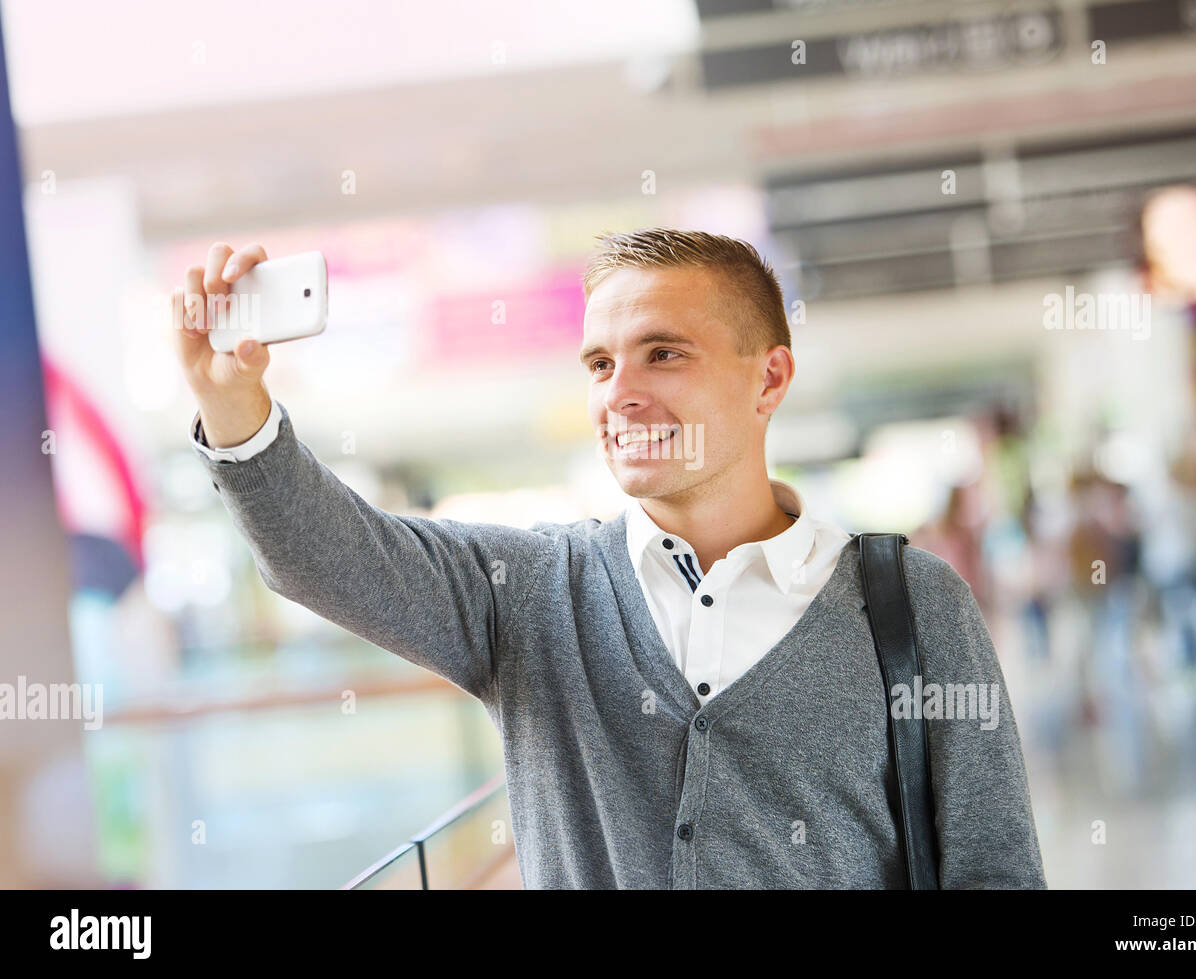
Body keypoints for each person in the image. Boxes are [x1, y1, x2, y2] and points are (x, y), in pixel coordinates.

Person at [172, 228, 1046, 889]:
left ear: (770, 378)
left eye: (663, 352)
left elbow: (993, 865)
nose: (620, 392)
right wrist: (235, 410)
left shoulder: (911, 603)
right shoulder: (528, 592)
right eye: (599, 362)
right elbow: (326, 557)